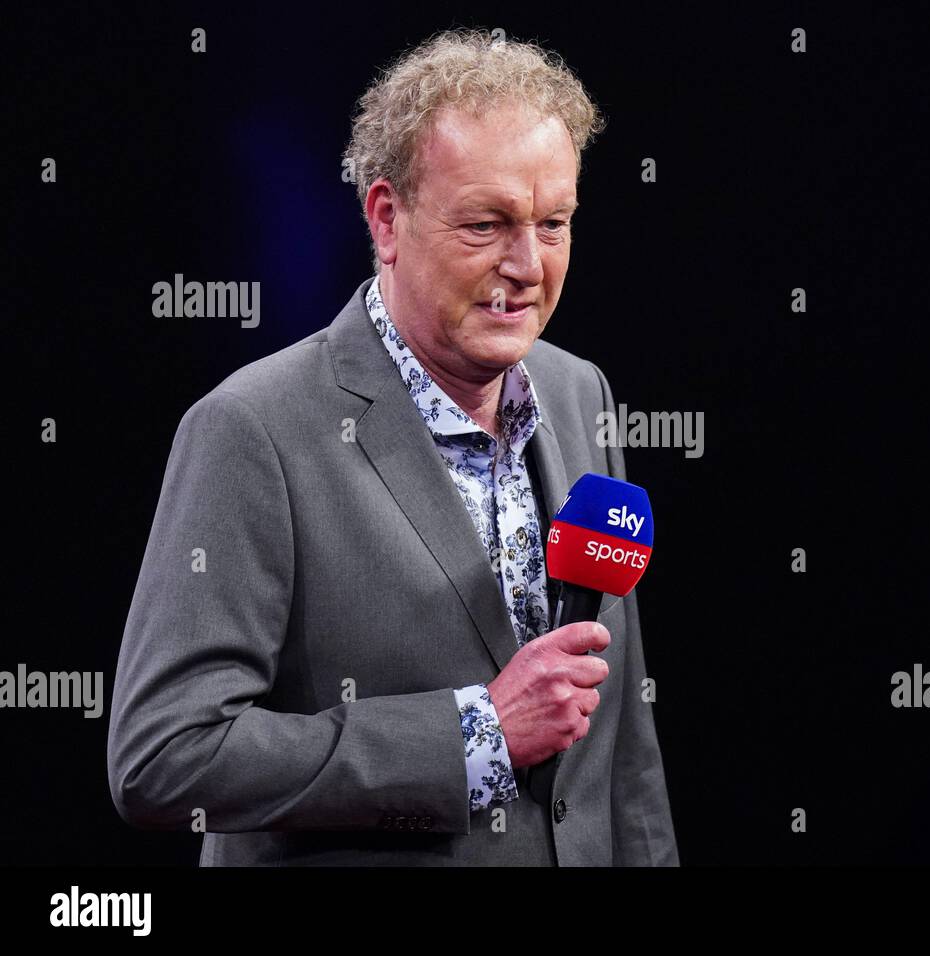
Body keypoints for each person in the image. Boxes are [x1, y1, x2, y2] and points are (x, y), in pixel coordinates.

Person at [107, 28, 678, 866]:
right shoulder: (251, 429)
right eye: (487, 224)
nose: (529, 264)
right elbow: (163, 756)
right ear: (387, 218)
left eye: (554, 223)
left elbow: (622, 749)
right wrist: (471, 735)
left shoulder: (576, 391)